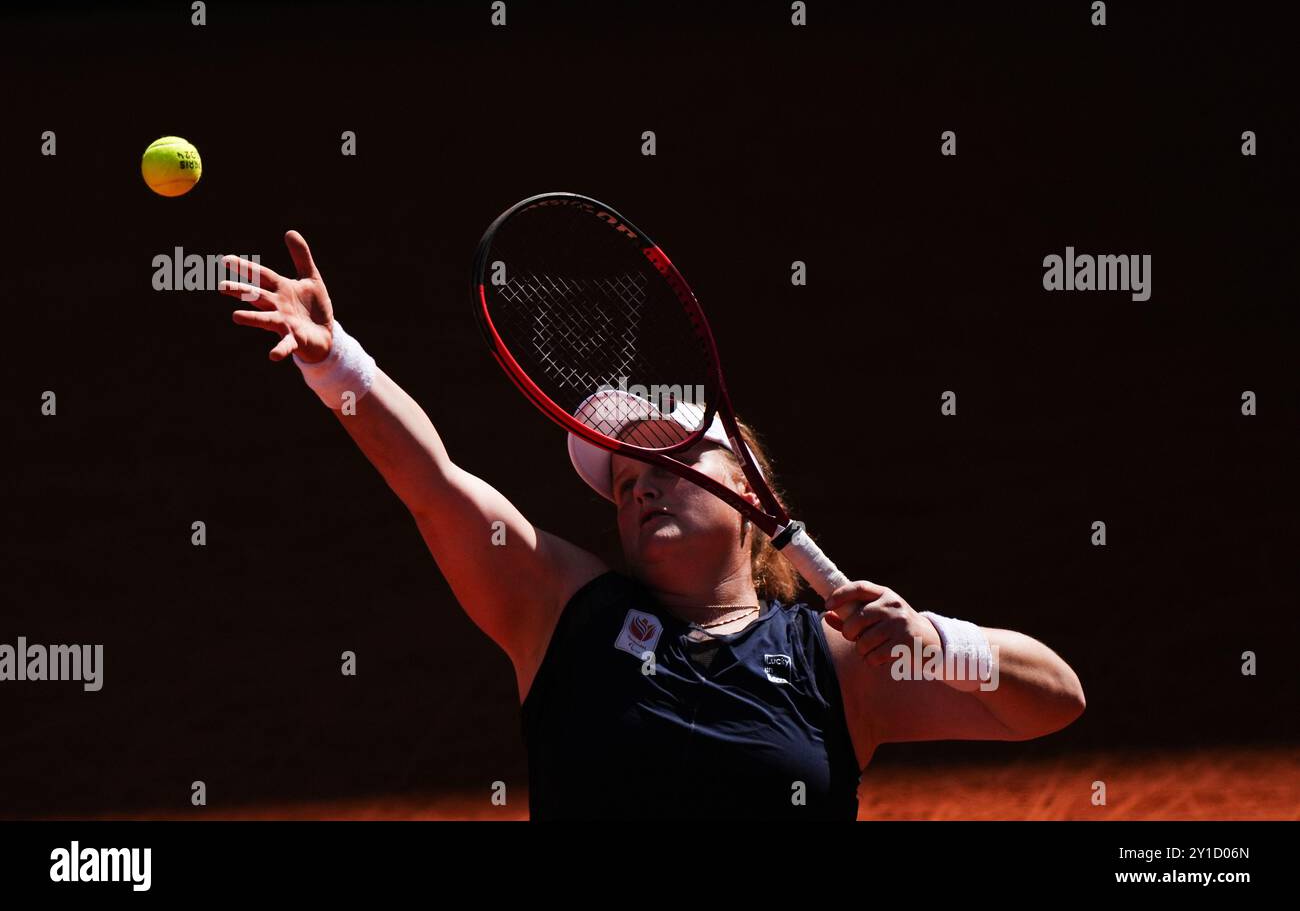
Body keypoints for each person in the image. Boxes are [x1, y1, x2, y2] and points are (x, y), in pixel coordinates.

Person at [219, 231, 1087, 820]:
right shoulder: (562, 613)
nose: (638, 490)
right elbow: (433, 483)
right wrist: (339, 362)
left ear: (750, 493)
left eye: (670, 466)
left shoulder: (838, 659)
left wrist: (934, 639)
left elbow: (1052, 701)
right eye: (624, 482)